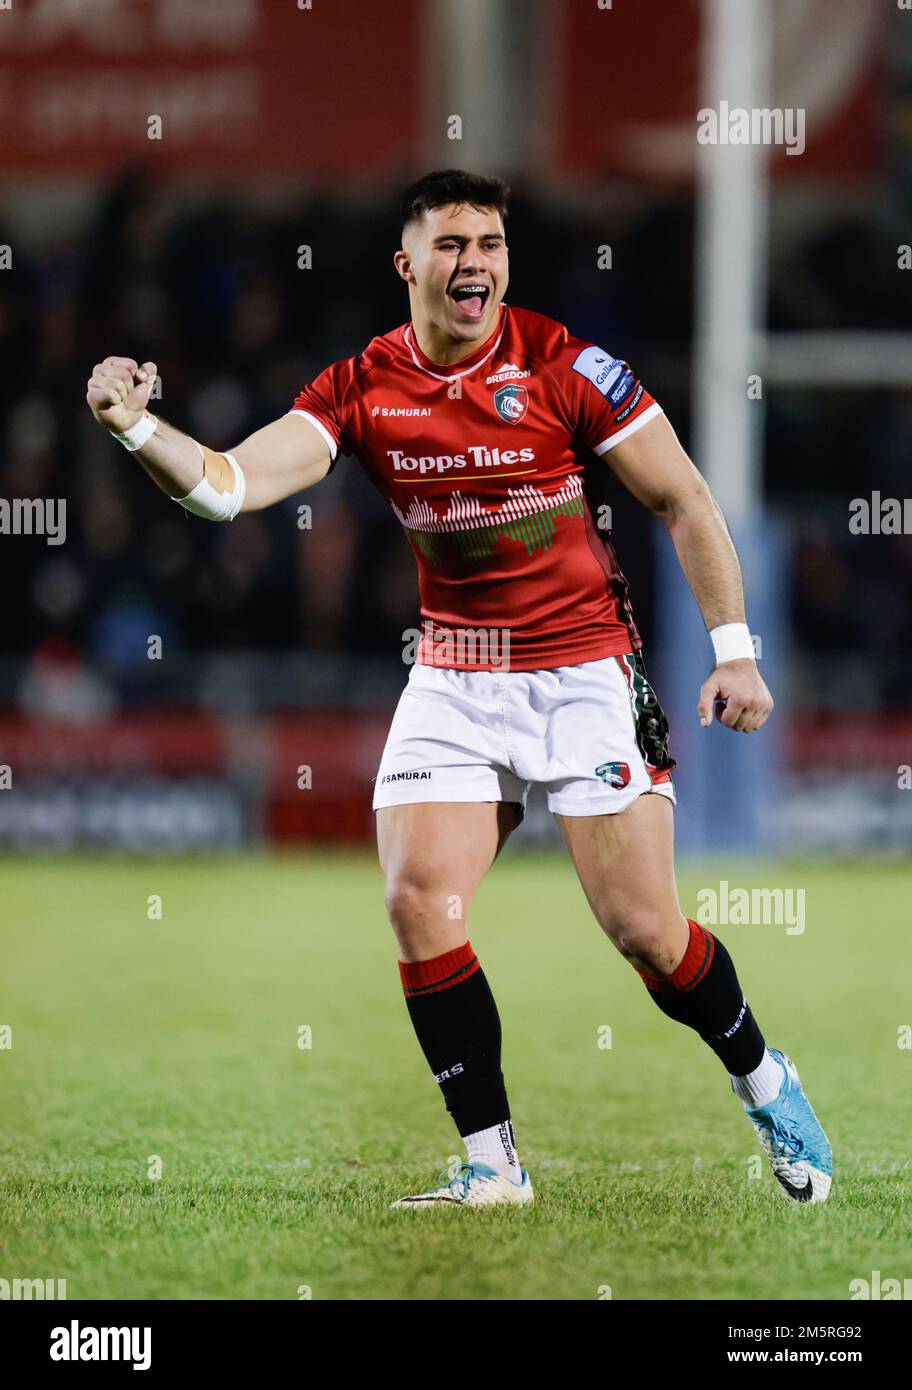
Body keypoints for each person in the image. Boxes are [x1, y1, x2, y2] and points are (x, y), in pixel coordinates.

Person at [85, 169, 832, 1209]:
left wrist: (735, 648)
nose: (473, 260)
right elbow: (229, 486)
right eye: (450, 243)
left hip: (582, 671)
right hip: (457, 672)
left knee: (647, 932)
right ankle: (493, 1165)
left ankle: (765, 1078)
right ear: (409, 265)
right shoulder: (360, 386)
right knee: (416, 900)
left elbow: (686, 500)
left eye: (489, 242)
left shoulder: (570, 364)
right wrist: (129, 425)